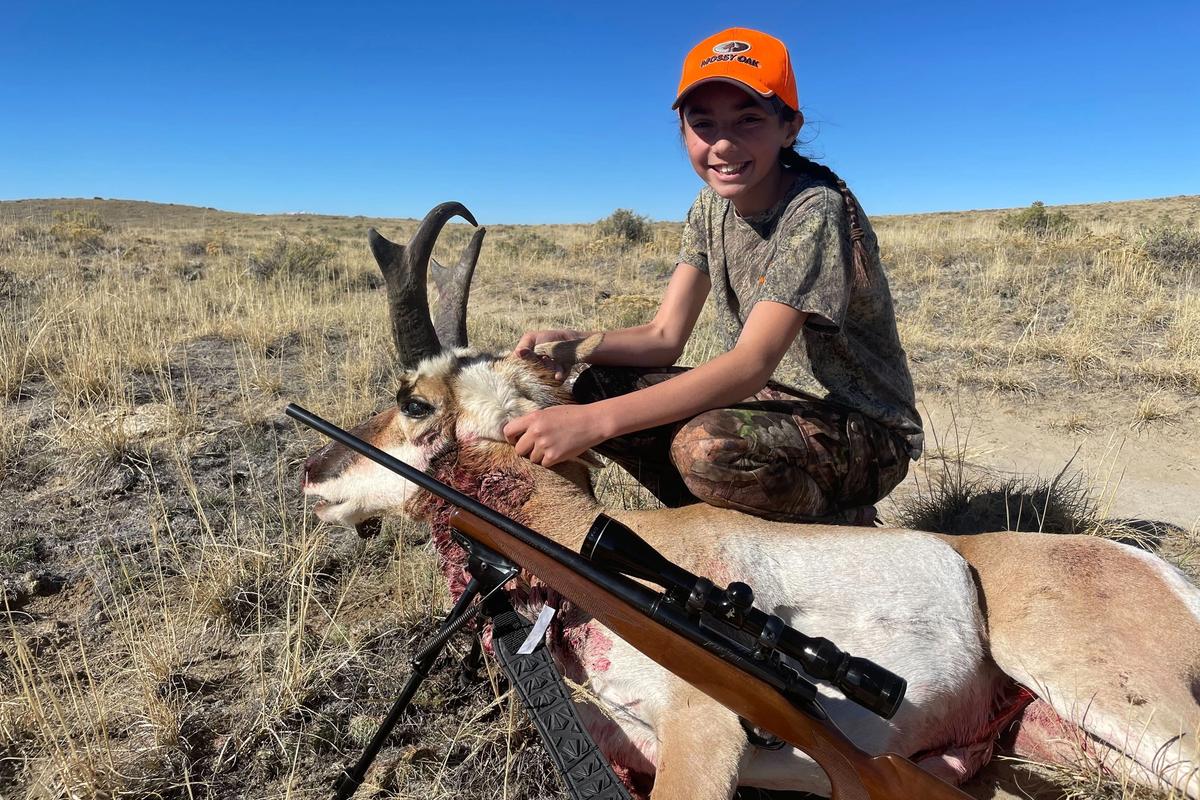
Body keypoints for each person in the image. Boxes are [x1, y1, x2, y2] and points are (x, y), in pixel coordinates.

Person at [503, 27, 922, 524]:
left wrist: (592, 423)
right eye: (703, 124)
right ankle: (713, 524)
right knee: (598, 385)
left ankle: (833, 528)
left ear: (790, 127)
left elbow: (751, 364)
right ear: (683, 132)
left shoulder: (815, 209)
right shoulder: (709, 207)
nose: (723, 144)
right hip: (774, 406)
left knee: (706, 448)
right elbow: (663, 337)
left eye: (749, 119)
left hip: (867, 433)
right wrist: (574, 346)